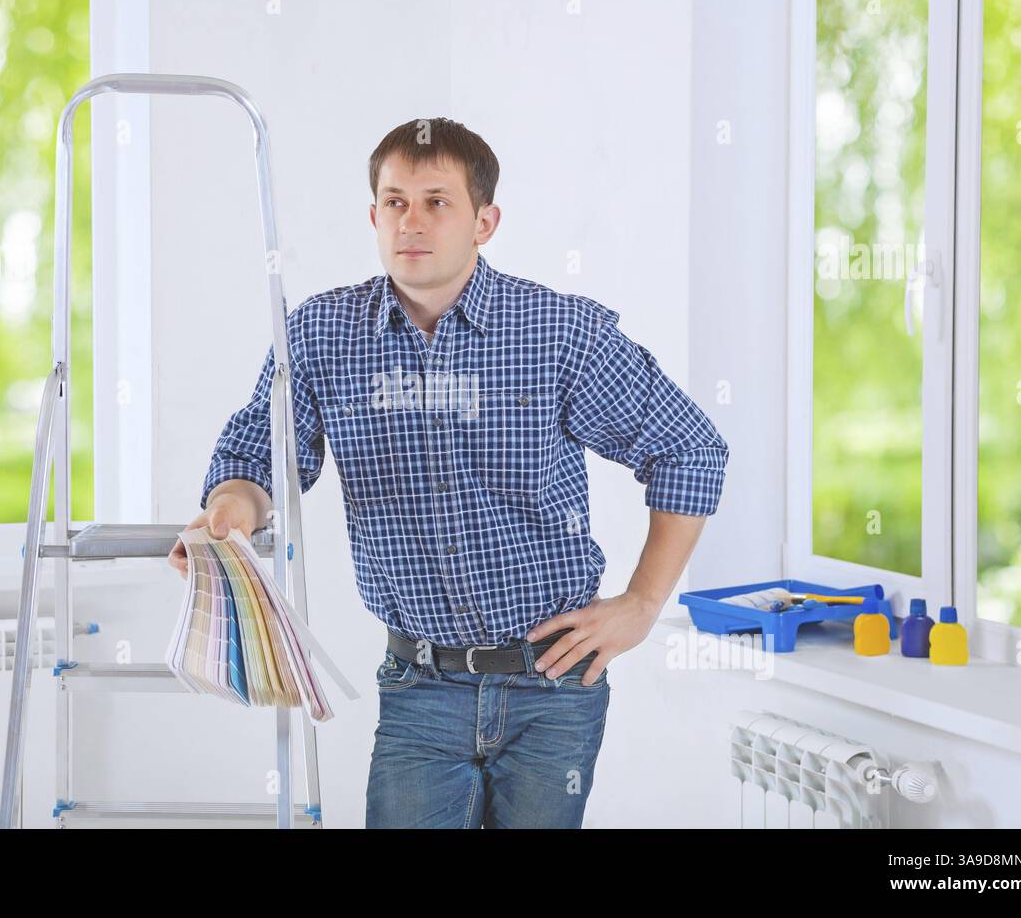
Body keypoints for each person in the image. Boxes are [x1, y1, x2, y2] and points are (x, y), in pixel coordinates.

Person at [168, 117, 730, 828]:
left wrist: (644, 605)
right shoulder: (318, 333)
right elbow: (259, 462)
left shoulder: (557, 332)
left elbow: (690, 448)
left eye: (437, 201)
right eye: (396, 201)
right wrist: (231, 514)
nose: (413, 220)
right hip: (418, 688)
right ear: (374, 217)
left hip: (554, 686)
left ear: (484, 221)